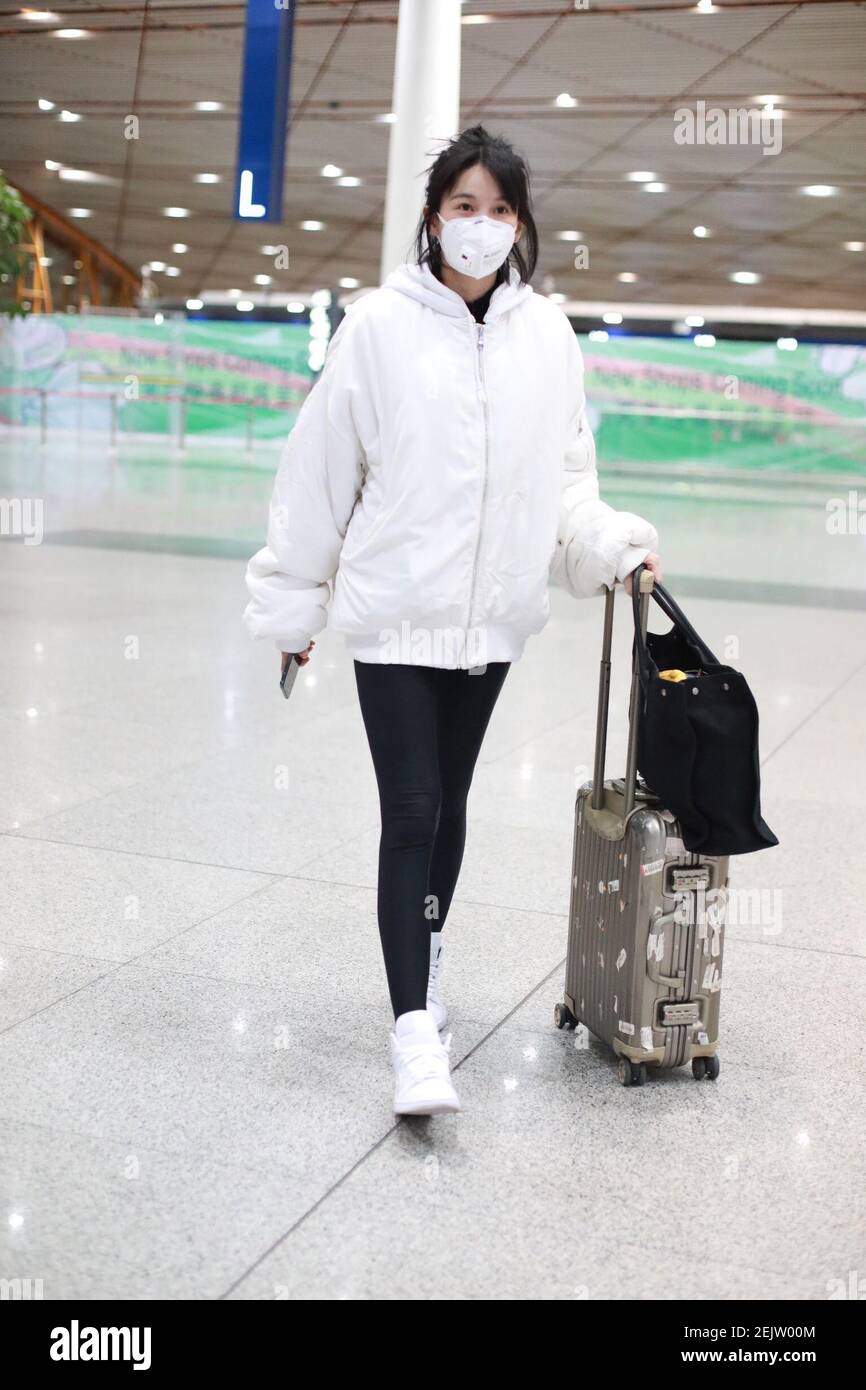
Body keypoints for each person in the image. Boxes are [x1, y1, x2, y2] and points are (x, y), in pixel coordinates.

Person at [244, 124, 661, 1117]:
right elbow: (317, 476)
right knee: (414, 811)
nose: (479, 226)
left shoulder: (547, 338)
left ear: (519, 225)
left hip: (490, 625)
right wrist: (295, 603)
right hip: (394, 616)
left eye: (498, 209)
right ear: (432, 216)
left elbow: (566, 486)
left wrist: (611, 544)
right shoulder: (377, 326)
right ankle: (409, 1034)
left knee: (455, 808)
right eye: (462, 206)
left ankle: (423, 966)